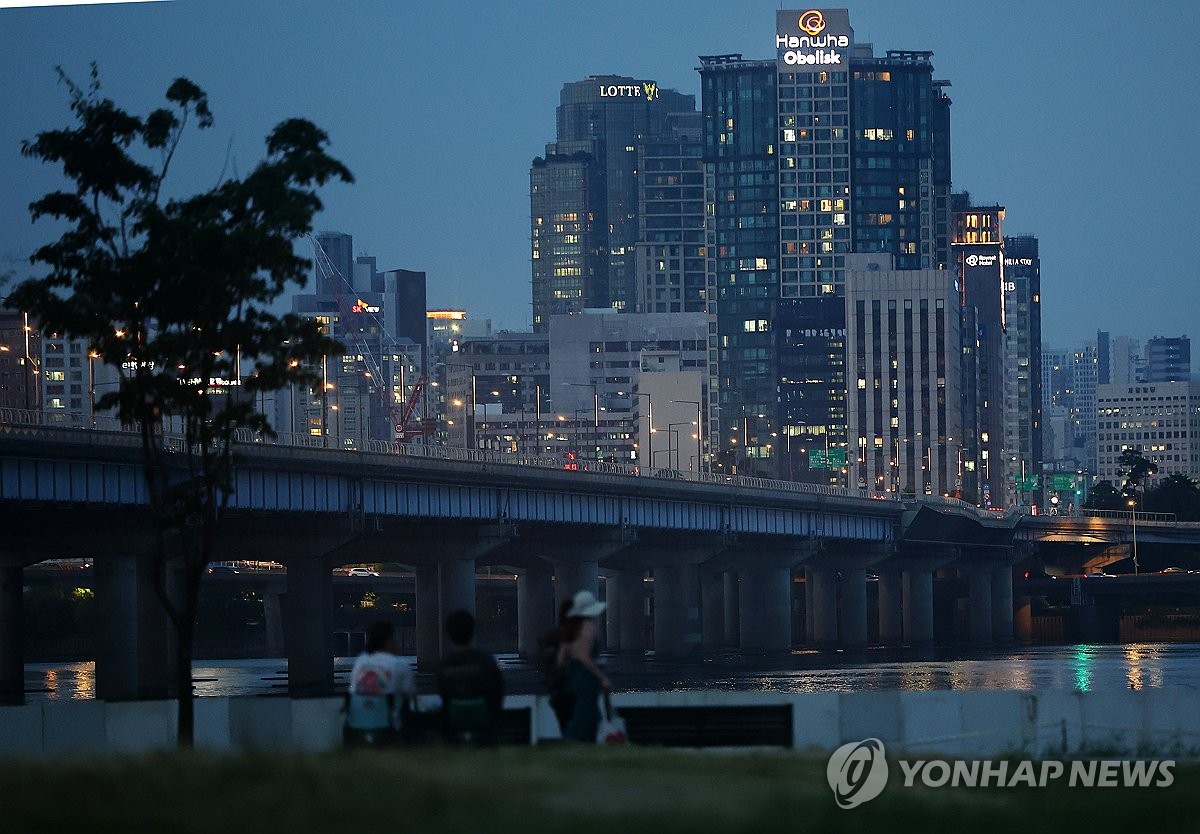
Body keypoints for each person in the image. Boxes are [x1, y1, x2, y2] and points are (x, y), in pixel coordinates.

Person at [437, 609, 505, 745]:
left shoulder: (445, 665)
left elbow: (443, 694)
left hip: (454, 723)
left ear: (449, 634)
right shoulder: (485, 661)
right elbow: (498, 690)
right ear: (473, 631)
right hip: (485, 722)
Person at [345, 621, 415, 748]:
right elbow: (410, 694)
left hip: (357, 725)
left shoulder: (360, 662)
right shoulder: (400, 665)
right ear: (389, 641)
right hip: (388, 726)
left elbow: (352, 689)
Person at [557, 589, 610, 742]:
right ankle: (572, 744)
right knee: (585, 716)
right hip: (585, 676)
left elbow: (560, 660)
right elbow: (583, 656)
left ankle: (583, 745)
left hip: (572, 675)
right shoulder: (588, 627)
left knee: (587, 713)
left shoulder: (570, 629)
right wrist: (602, 677)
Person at [537, 599, 576, 734]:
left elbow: (544, 663)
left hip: (558, 690)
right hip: (565, 690)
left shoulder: (552, 637)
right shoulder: (564, 637)